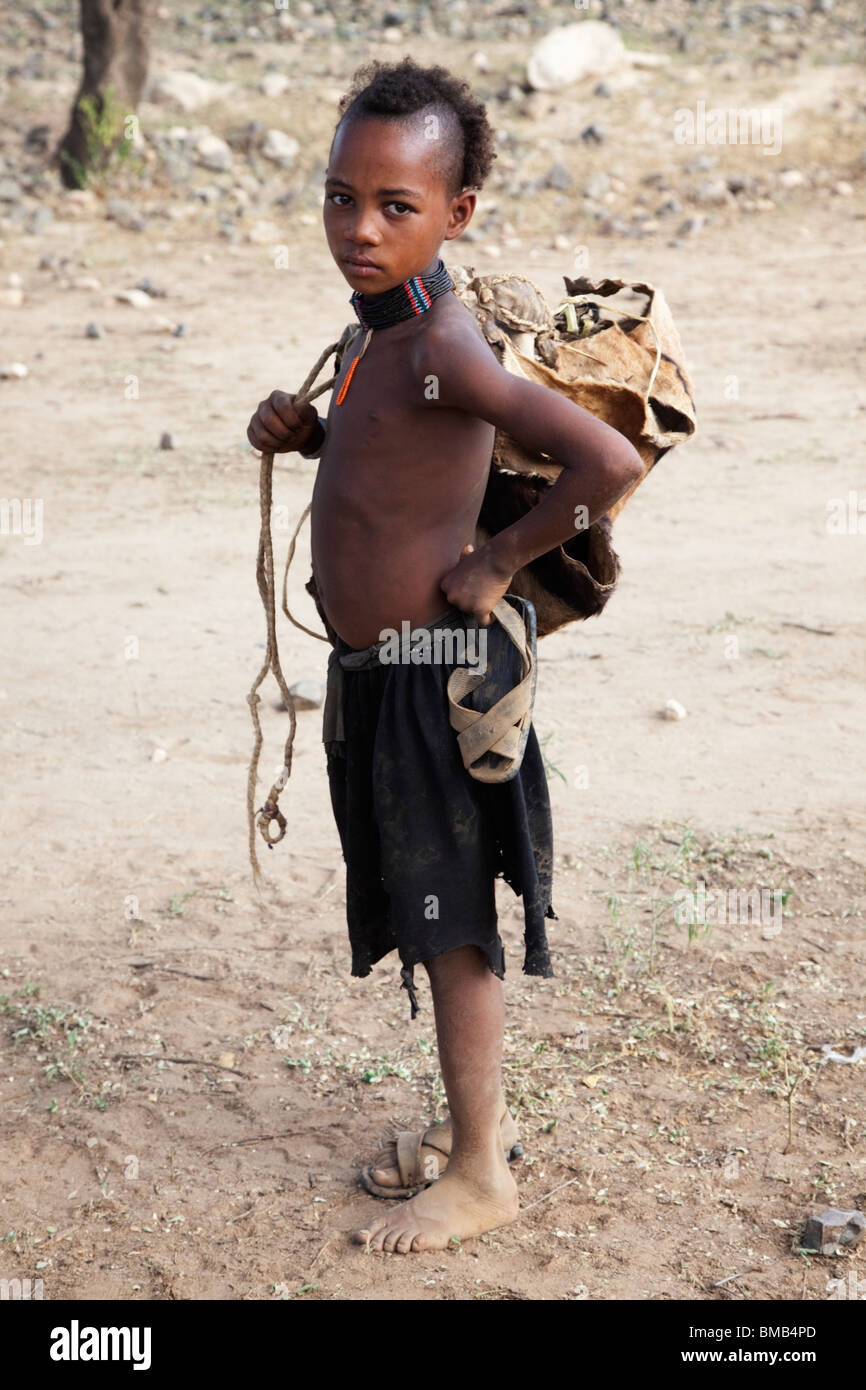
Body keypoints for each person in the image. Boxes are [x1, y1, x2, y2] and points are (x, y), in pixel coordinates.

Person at [246, 57, 642, 1255]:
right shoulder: (379, 333)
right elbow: (392, 472)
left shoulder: (442, 347)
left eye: (395, 206)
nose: (358, 228)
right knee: (429, 909)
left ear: (456, 214)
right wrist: (310, 435)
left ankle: (480, 1171)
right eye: (338, 197)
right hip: (384, 674)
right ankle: (469, 1130)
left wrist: (500, 559)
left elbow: (604, 467)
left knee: (451, 919)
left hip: (432, 675)